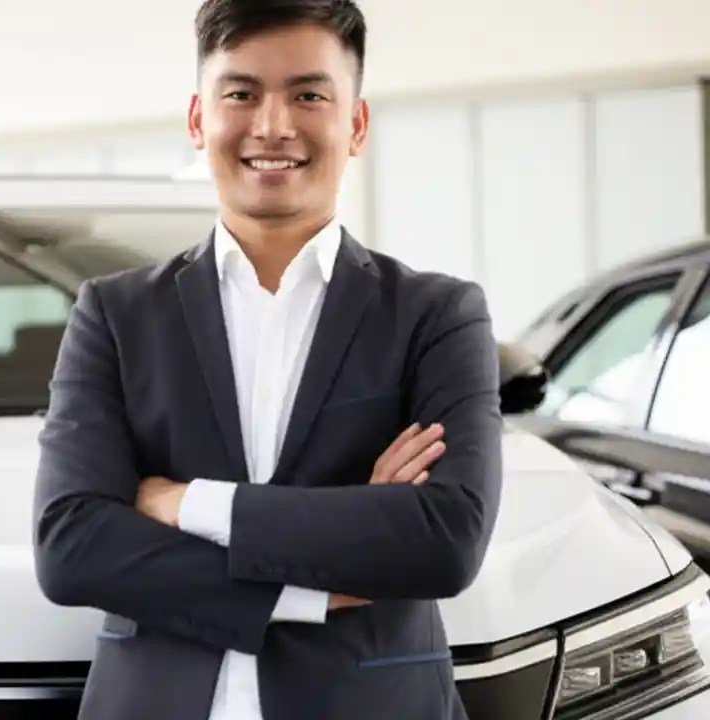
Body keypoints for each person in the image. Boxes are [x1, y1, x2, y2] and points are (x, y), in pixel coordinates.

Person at [32, 0, 502, 718]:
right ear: (198, 118)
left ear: (356, 124)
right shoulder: (116, 315)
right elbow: (70, 548)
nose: (273, 126)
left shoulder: (436, 315)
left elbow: (443, 543)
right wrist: (337, 556)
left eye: (309, 95)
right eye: (241, 94)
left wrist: (180, 502)